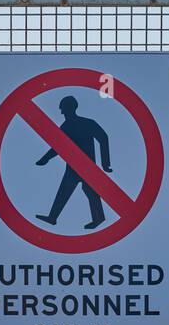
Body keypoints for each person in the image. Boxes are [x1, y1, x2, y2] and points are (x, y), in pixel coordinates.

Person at [35, 95, 112, 230]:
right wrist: (45, 159)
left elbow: (103, 138)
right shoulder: (69, 125)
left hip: (85, 167)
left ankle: (97, 218)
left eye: (63, 109)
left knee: (80, 190)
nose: (62, 113)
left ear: (70, 108)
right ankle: (54, 217)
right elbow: (58, 146)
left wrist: (105, 163)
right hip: (76, 166)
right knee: (77, 190)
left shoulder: (85, 123)